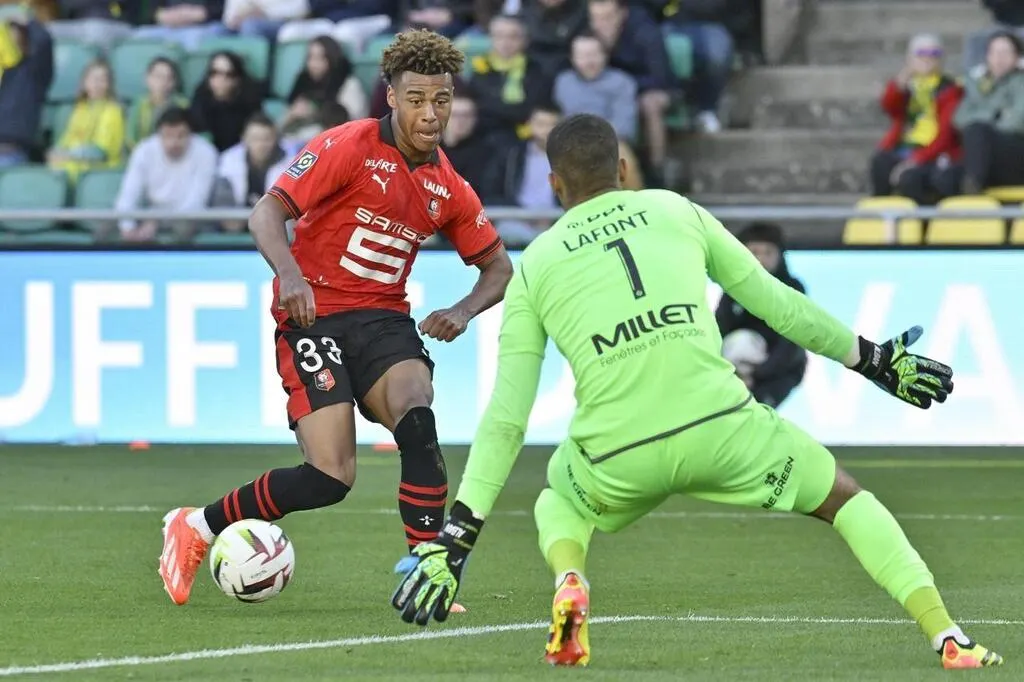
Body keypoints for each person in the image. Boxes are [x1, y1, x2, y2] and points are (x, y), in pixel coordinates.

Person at [390, 113, 1003, 671]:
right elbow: (777, 304)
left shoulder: (537, 264)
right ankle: (946, 634)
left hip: (615, 454)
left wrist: (458, 537)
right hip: (722, 426)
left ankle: (571, 579)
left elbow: (506, 417)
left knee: (559, 501)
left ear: (554, 185)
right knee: (846, 499)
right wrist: (871, 359)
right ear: (623, 169)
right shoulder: (675, 209)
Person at [157, 29, 514, 609]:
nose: (431, 114)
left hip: (382, 320)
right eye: (417, 99)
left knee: (416, 413)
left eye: (441, 101)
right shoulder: (348, 145)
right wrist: (291, 275)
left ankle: (428, 569)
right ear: (392, 97)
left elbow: (498, 269)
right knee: (330, 477)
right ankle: (196, 526)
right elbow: (265, 215)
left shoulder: (447, 185)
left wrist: (463, 310)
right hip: (313, 315)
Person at [715, 222, 805, 409]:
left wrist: (758, 374)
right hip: (735, 374)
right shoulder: (733, 289)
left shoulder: (792, 289)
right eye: (755, 252)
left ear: (780, 256)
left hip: (778, 372)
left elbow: (792, 344)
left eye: (768, 252)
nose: (762, 259)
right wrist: (734, 375)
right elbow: (718, 332)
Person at [870, 34, 963, 205]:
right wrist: (899, 84)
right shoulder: (908, 85)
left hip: (935, 151)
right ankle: (882, 218)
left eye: (933, 53)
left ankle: (922, 225)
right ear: (910, 59)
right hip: (907, 147)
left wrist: (916, 159)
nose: (927, 59)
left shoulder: (951, 89)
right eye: (921, 53)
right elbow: (890, 107)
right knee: (880, 163)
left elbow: (946, 135)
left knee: (910, 178)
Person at [112, 106, 218, 242]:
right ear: (159, 135)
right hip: (150, 213)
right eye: (168, 136)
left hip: (189, 217)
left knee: (184, 227)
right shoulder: (144, 150)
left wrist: (158, 221)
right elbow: (128, 194)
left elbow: (196, 201)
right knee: (106, 229)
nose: (174, 142)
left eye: (180, 136)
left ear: (191, 135)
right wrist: (127, 227)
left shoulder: (206, 152)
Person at [47, 60, 125, 182]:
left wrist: (69, 155)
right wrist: (56, 153)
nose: (97, 84)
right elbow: (66, 140)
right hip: (72, 171)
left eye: (102, 80)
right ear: (84, 82)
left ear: (109, 84)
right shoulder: (80, 109)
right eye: (93, 79)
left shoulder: (113, 111)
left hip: (98, 176)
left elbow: (100, 152)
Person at [125, 57, 190, 150]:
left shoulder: (183, 105)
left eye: (169, 78)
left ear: (174, 83)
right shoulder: (139, 105)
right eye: (158, 76)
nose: (163, 82)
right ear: (147, 79)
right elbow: (130, 139)